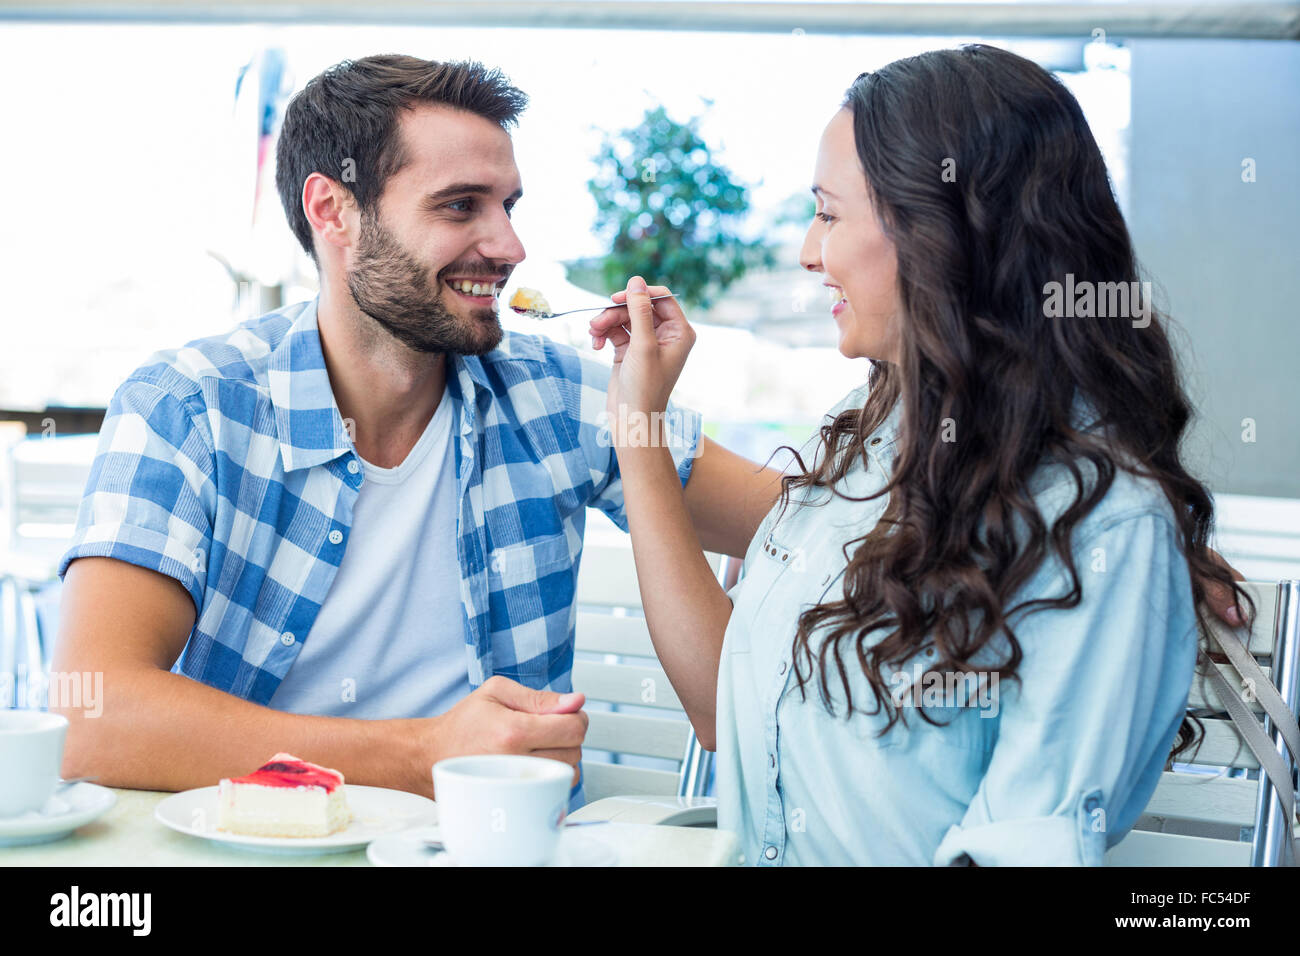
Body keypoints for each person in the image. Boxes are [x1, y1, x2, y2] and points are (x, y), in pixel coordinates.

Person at [50, 54, 783, 805]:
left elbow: (823, 524)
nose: (509, 246)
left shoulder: (559, 399)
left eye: (508, 206)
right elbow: (91, 713)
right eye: (461, 206)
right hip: (262, 850)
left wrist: (653, 438)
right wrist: (422, 755)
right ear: (332, 211)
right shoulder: (189, 408)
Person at [588, 43, 1250, 864]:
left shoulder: (1105, 528)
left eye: (828, 214)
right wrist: (637, 420)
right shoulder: (858, 437)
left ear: (942, 232)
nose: (805, 251)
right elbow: (726, 714)